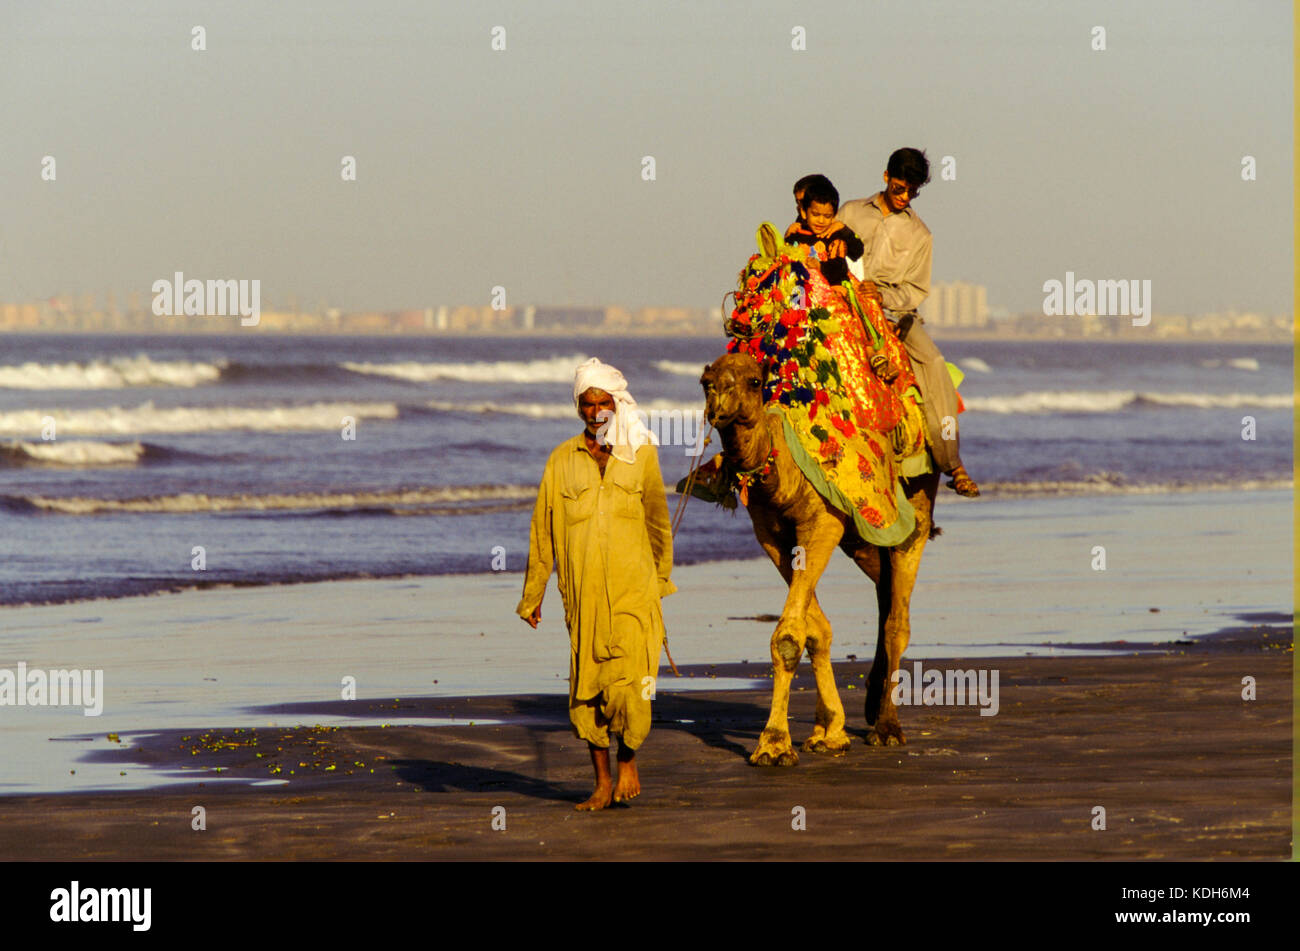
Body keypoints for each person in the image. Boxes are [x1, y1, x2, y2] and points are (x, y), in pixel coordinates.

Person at [516, 357, 676, 810]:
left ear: (616, 404)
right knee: (588, 690)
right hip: (583, 597)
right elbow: (543, 530)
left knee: (634, 685)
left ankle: (629, 758)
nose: (595, 411)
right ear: (579, 407)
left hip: (635, 590)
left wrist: (661, 581)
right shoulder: (561, 460)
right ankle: (602, 782)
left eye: (603, 402)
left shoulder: (641, 455)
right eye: (587, 404)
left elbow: (658, 522)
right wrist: (534, 595)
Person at [837, 147, 980, 496]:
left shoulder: (921, 235)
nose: (905, 197)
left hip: (895, 314)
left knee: (933, 363)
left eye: (913, 192)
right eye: (900, 188)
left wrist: (883, 297)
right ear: (886, 177)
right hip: (843, 303)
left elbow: (916, 289)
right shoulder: (851, 213)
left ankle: (952, 460)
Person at [781, 176, 864, 290]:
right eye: (798, 202)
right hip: (802, 293)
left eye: (826, 216)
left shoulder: (837, 234)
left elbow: (856, 252)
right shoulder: (797, 232)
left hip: (832, 292)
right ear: (805, 212)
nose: (820, 220)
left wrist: (844, 231)